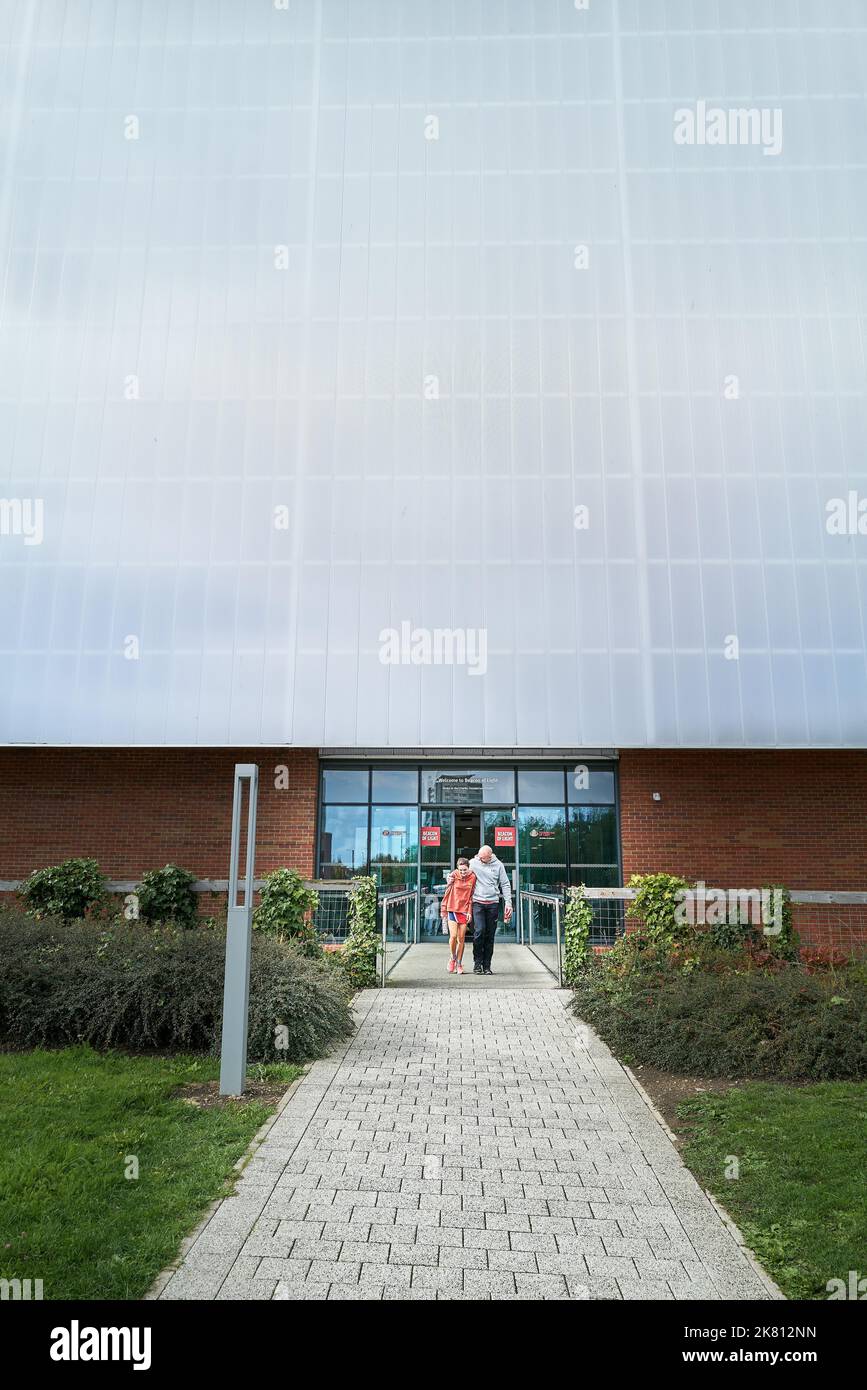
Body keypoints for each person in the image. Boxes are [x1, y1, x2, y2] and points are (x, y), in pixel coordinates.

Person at [467, 844, 512, 975]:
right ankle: (477, 964)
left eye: (483, 858)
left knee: (489, 936)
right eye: (479, 857)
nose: (480, 860)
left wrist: (508, 902)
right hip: (478, 903)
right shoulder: (473, 863)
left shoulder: (498, 865)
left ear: (489, 856)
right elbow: (462, 872)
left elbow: (505, 883)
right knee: (479, 931)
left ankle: (487, 966)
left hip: (493, 903)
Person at [440, 856, 475, 976]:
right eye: (460, 870)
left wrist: (470, 912)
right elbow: (448, 883)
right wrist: (448, 879)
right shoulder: (454, 874)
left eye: (465, 870)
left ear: (468, 868)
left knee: (461, 939)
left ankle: (459, 963)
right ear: (457, 869)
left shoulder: (473, 877)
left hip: (464, 910)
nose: (463, 872)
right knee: (453, 936)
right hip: (452, 908)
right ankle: (452, 958)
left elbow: (471, 897)